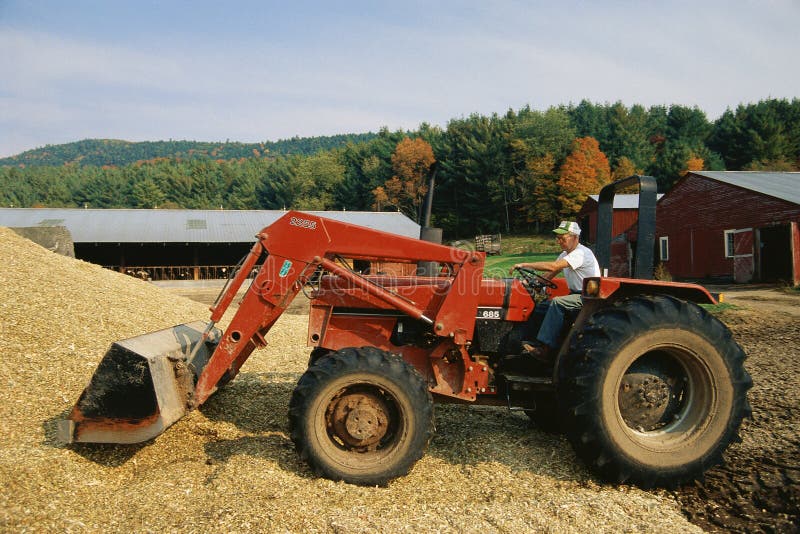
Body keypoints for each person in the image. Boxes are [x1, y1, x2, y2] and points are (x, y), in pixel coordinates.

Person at [510, 220, 600, 363]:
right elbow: (548, 276)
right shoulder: (566, 254)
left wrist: (524, 264)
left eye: (562, 238)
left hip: (587, 297)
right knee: (541, 307)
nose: (559, 241)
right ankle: (525, 342)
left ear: (575, 237)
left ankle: (545, 351)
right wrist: (529, 283)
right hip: (575, 295)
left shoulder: (581, 253)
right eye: (558, 238)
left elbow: (553, 266)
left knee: (557, 303)